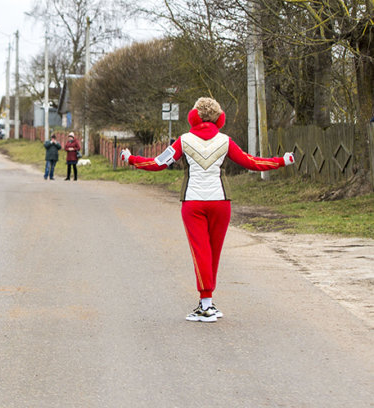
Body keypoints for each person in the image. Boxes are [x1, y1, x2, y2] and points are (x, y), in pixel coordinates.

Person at [120, 97, 295, 323]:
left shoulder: (184, 141)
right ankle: (208, 303)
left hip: (193, 203)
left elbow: (158, 163)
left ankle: (205, 306)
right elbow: (251, 162)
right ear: (219, 118)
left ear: (193, 116)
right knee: (213, 252)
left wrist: (131, 159)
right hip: (221, 202)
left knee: (200, 252)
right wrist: (281, 160)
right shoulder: (225, 141)